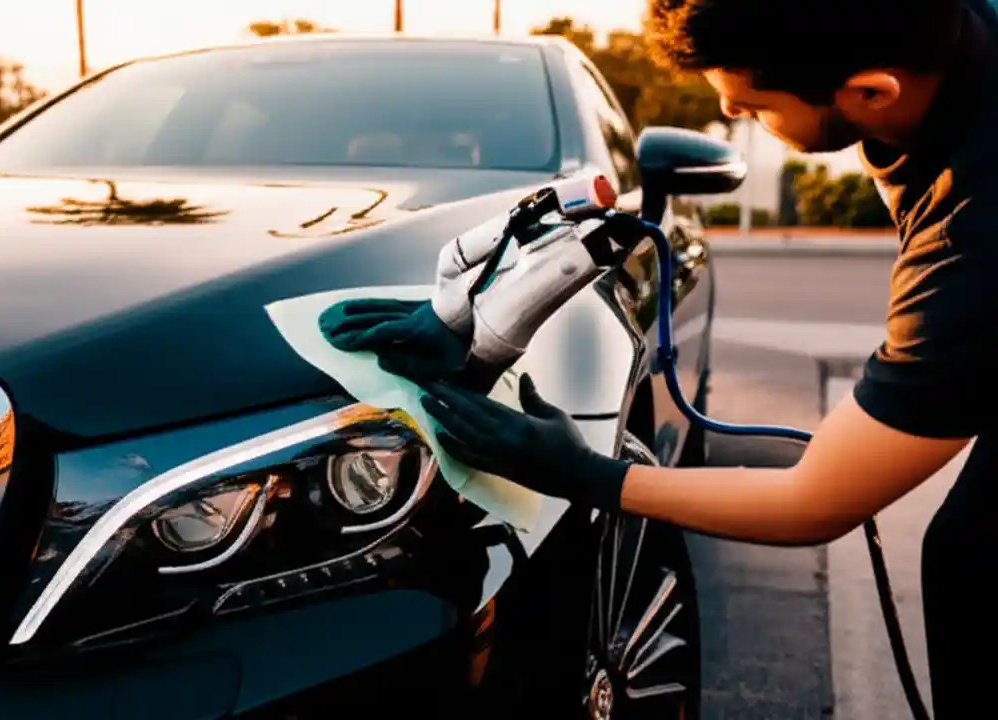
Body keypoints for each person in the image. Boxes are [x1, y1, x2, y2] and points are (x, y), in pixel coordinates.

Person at [322, 1, 998, 718]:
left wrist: (586, 474)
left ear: (871, 93)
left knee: (980, 558)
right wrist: (472, 307)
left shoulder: (976, 241)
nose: (736, 117)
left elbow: (816, 500)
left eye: (751, 109)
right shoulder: (942, 44)